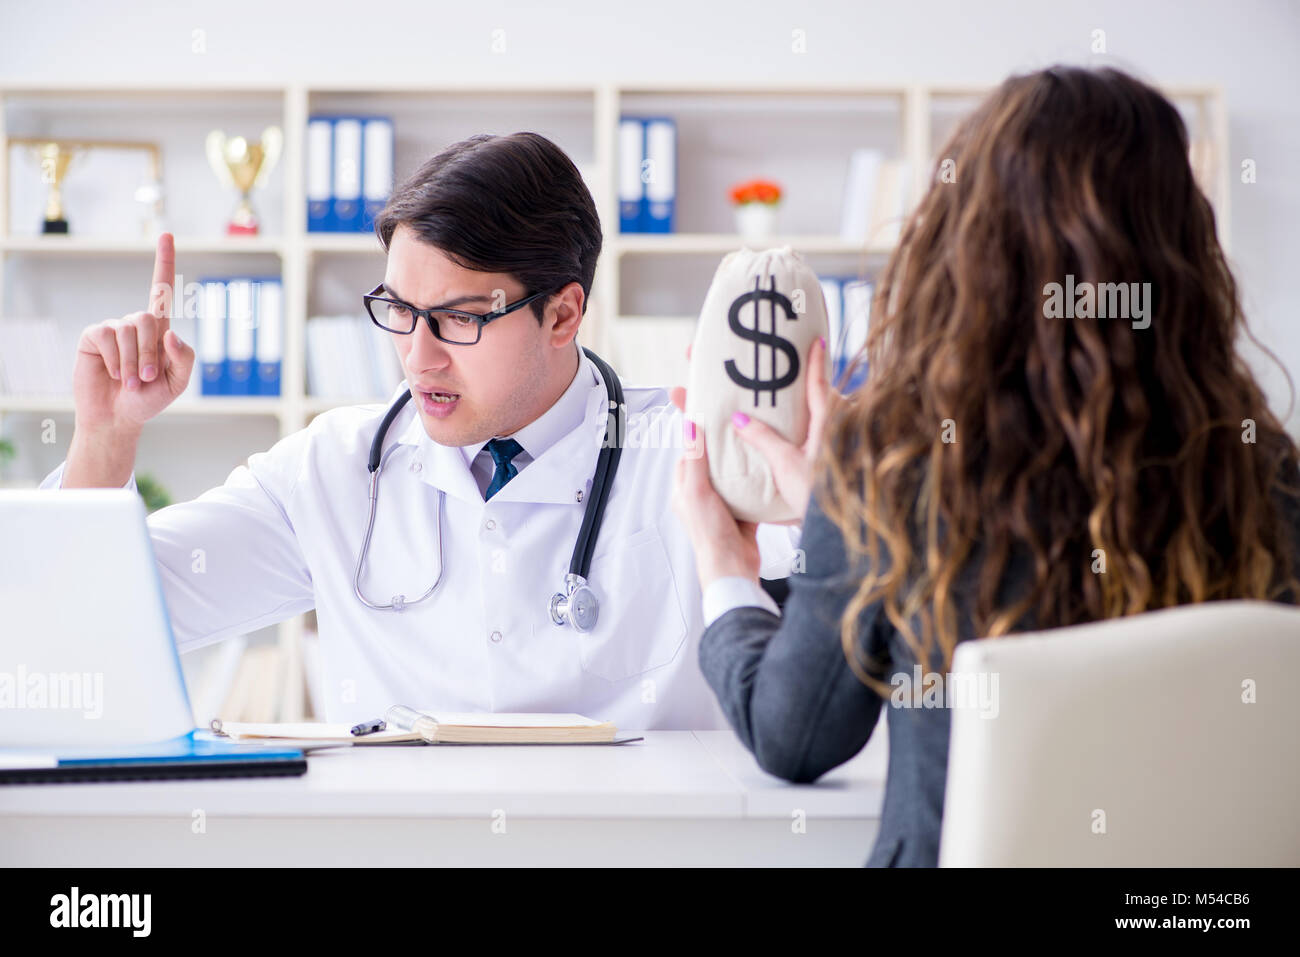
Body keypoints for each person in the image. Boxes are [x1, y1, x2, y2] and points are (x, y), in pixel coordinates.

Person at [670, 65, 1300, 866]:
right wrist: (840, 524)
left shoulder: (903, 468)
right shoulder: (1268, 475)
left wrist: (729, 564)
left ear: (965, 251)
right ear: (1183, 255)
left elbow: (793, 734)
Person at [42, 131, 802, 730]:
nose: (418, 355)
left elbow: (841, 604)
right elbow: (94, 620)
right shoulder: (331, 470)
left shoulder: (689, 454)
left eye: (461, 318)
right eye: (401, 311)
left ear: (564, 314)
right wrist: (105, 439)